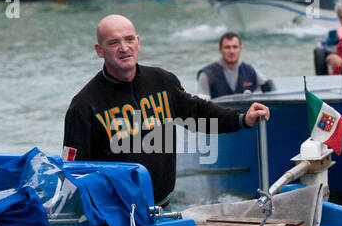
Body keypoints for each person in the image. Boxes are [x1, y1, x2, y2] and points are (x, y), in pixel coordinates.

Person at [63, 14, 270, 204]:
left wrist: (242, 119)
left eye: (129, 39)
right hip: (115, 215)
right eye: (114, 42)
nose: (124, 48)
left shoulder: (162, 81)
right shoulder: (83, 105)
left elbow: (198, 113)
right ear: (100, 50)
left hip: (163, 205)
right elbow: (73, 172)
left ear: (138, 42)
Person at [197, 32, 274, 98]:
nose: (231, 51)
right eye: (227, 47)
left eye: (235, 47)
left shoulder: (251, 70)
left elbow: (270, 91)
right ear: (220, 49)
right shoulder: (206, 75)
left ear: (240, 49)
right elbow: (202, 105)